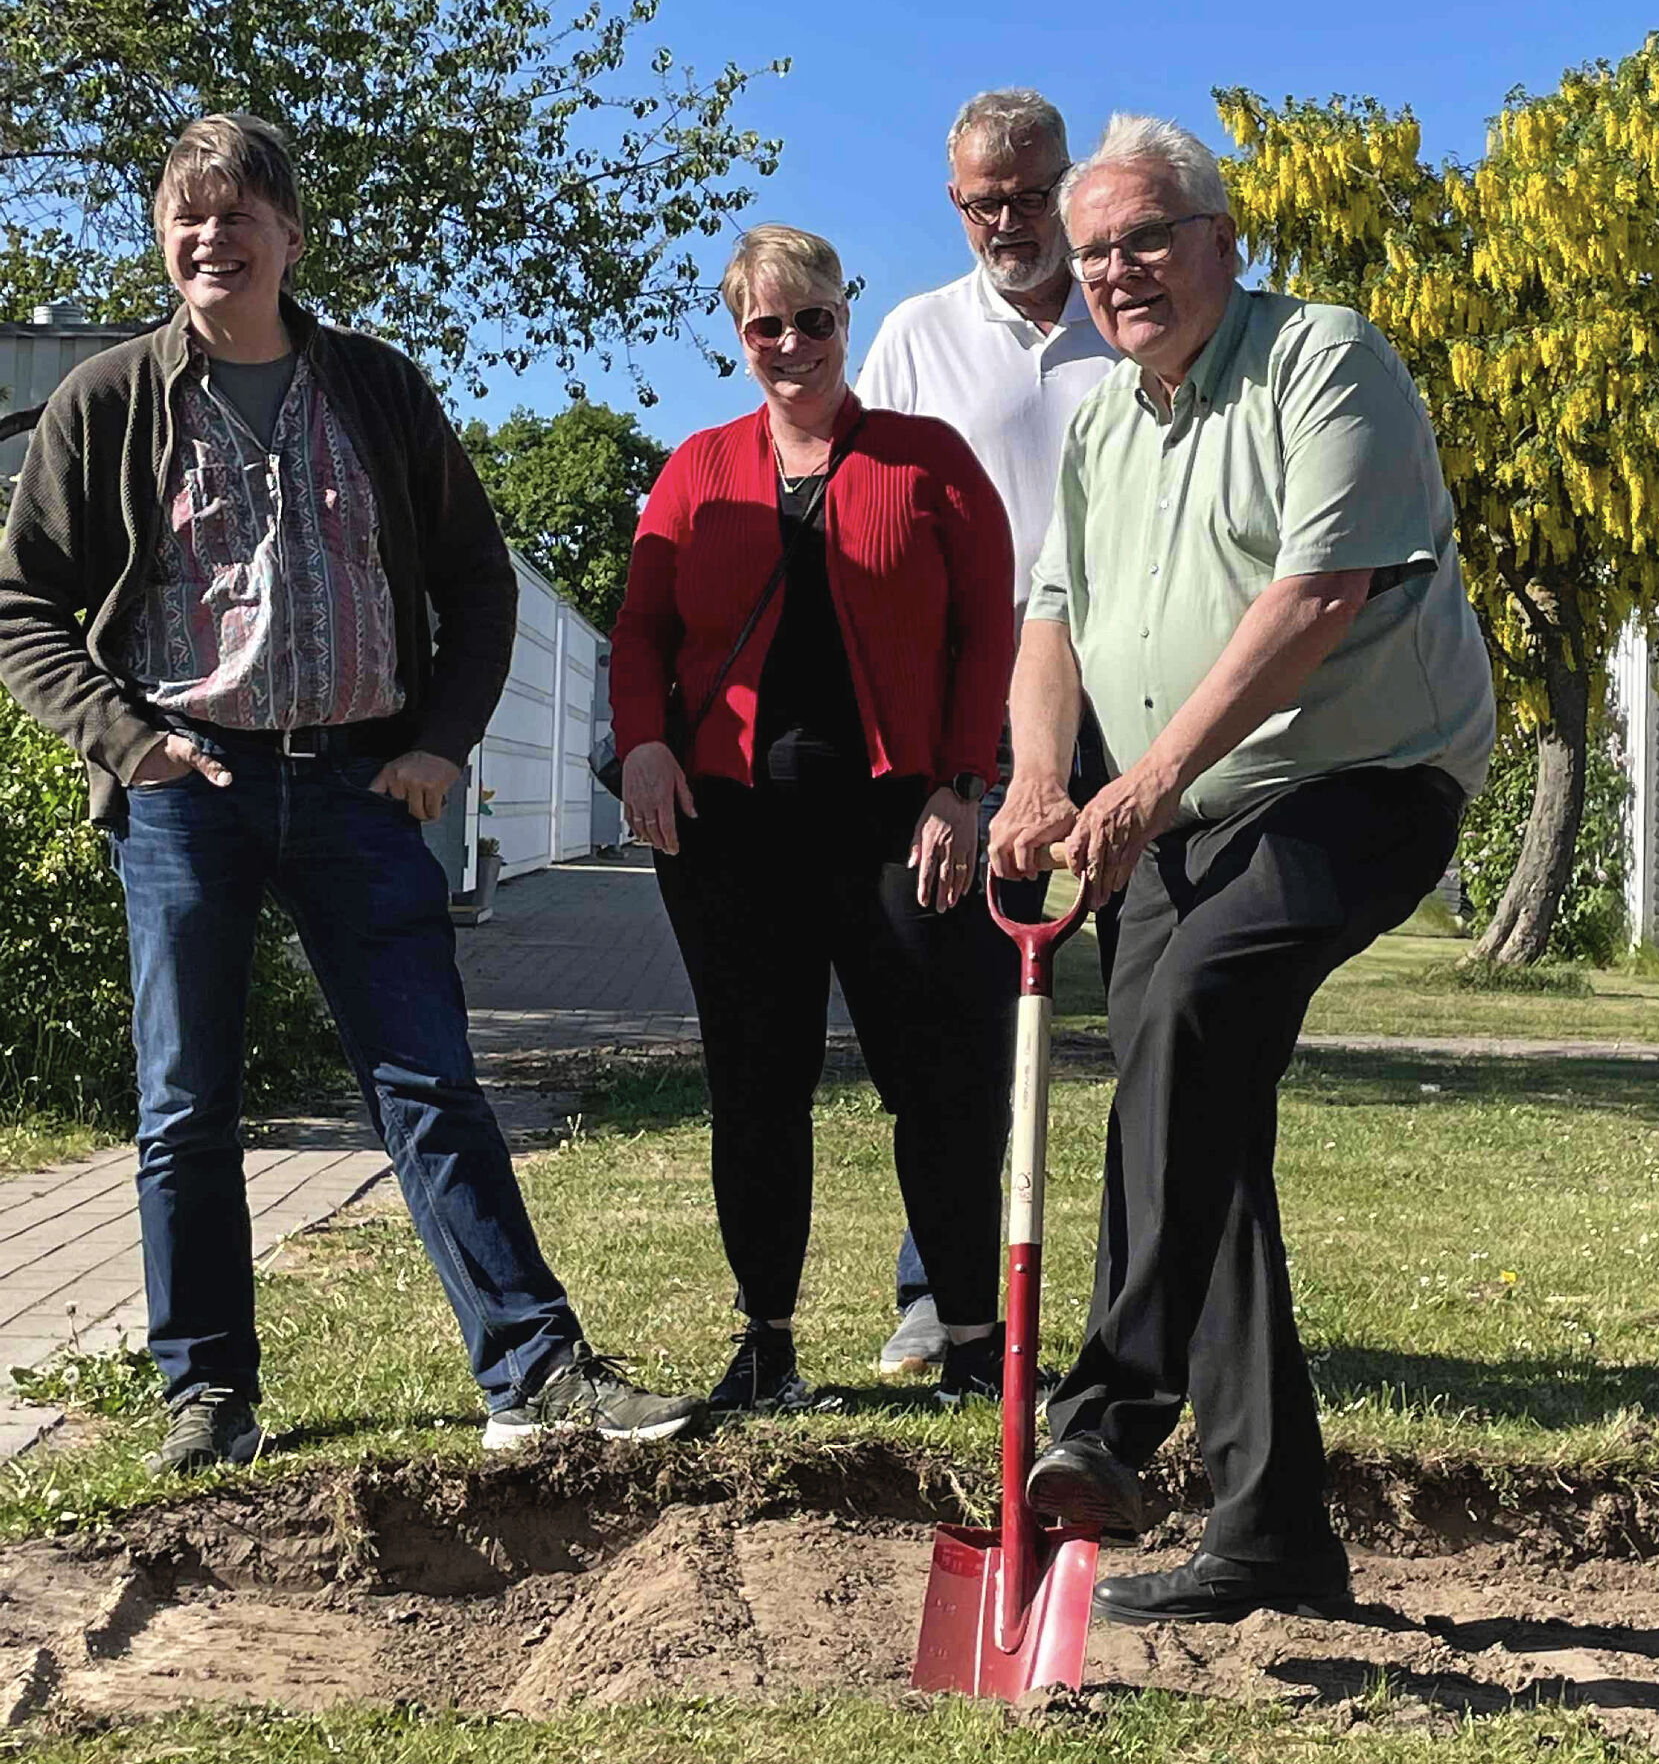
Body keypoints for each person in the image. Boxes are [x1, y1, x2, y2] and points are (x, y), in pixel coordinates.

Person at [0, 112, 701, 1473]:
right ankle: (207, 1391)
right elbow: (24, 602)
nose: (213, 239)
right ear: (164, 238)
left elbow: (479, 584)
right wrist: (120, 739)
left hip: (362, 788)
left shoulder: (377, 391)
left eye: (239, 214)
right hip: (186, 791)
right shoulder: (107, 402)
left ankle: (532, 1372)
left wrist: (442, 744)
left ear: (289, 236)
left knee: (428, 1082)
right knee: (186, 1100)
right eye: (187, 217)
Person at [990, 115, 1497, 1624]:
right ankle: (1270, 1530)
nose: (1116, 272)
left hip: (1357, 781)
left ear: (1221, 240)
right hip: (1169, 813)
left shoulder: (1323, 360)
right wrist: (1037, 771)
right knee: (1193, 1114)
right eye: (1092, 253)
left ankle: (1106, 1414)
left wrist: (1147, 778)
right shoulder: (1096, 422)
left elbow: (1317, 595)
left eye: (1144, 238)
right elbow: (1053, 618)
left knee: (1193, 1010)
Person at [608, 224, 1018, 1416]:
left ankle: (974, 1339)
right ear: (738, 338)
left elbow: (987, 630)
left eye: (815, 320)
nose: (792, 345)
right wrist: (643, 740)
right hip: (732, 830)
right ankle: (767, 1343)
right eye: (765, 327)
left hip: (900, 823)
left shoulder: (927, 459)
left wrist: (961, 785)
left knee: (938, 1081)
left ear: (850, 315)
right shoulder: (695, 468)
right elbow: (641, 629)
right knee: (755, 1083)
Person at [854, 87, 1118, 1383]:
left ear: (1068, 186)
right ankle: (942, 1290)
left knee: (1159, 1004)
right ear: (951, 203)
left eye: (1026, 197)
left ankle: (1144, 1307)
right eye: (980, 204)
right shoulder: (914, 338)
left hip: (1134, 700)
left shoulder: (1129, 319)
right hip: (978, 711)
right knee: (956, 1014)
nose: (1006, 223)